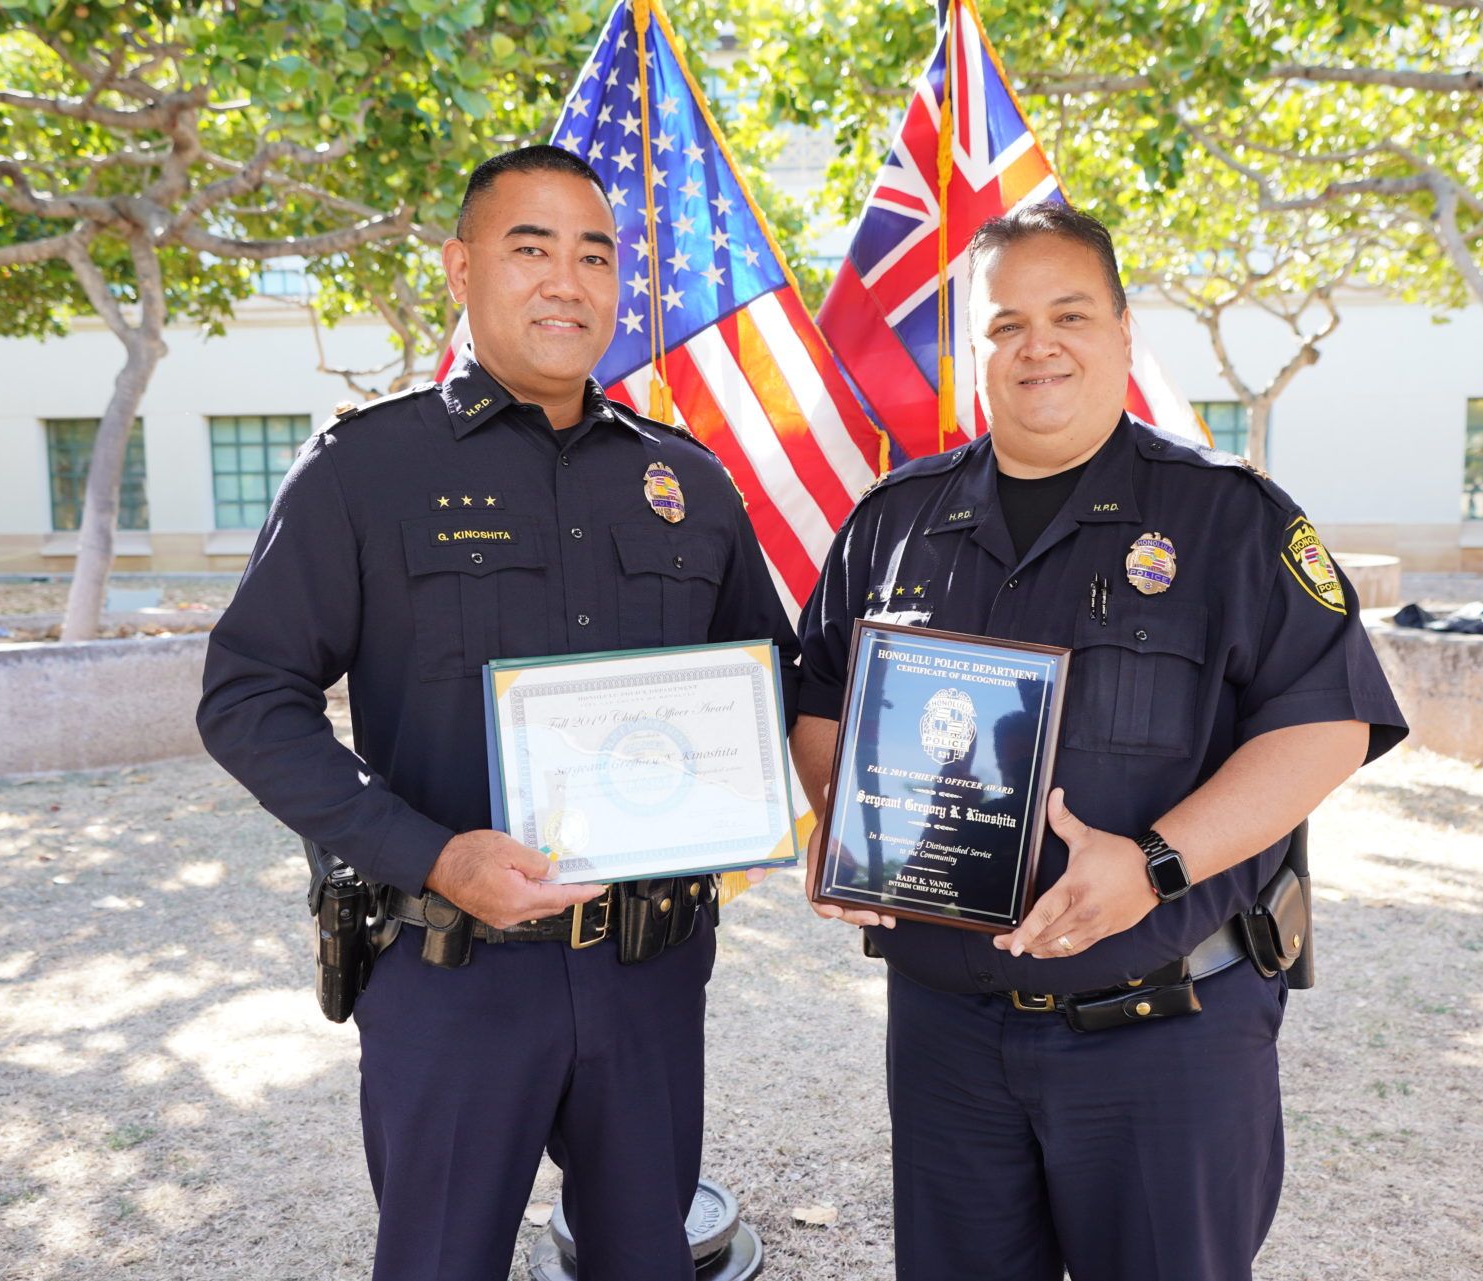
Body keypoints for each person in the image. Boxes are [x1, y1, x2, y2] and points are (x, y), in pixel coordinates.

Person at [198, 145, 797, 1281]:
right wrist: (426, 855)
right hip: (452, 969)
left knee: (645, 1261)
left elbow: (768, 680)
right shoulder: (364, 473)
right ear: (461, 268)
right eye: (532, 248)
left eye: (594, 254)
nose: (566, 280)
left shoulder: (689, 481)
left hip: (648, 975)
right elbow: (247, 697)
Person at [791, 202, 1407, 1281]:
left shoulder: (1231, 519)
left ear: (1124, 334)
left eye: (1069, 313)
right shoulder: (894, 520)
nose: (1038, 344)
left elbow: (1326, 725)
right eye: (1005, 323)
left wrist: (1155, 862)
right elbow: (823, 702)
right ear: (972, 349)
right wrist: (855, 829)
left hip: (1165, 1033)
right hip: (948, 1036)